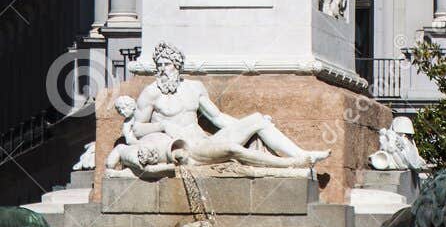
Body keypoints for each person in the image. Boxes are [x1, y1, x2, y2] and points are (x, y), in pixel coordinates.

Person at [113, 43, 327, 175]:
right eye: (159, 65)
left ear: (177, 66)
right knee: (234, 150)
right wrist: (162, 125)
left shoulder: (194, 87)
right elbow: (138, 129)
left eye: (167, 64)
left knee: (258, 119)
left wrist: (246, 127)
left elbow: (217, 117)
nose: (162, 69)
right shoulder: (151, 92)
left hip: (205, 142)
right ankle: (290, 164)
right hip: (187, 149)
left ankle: (302, 154)